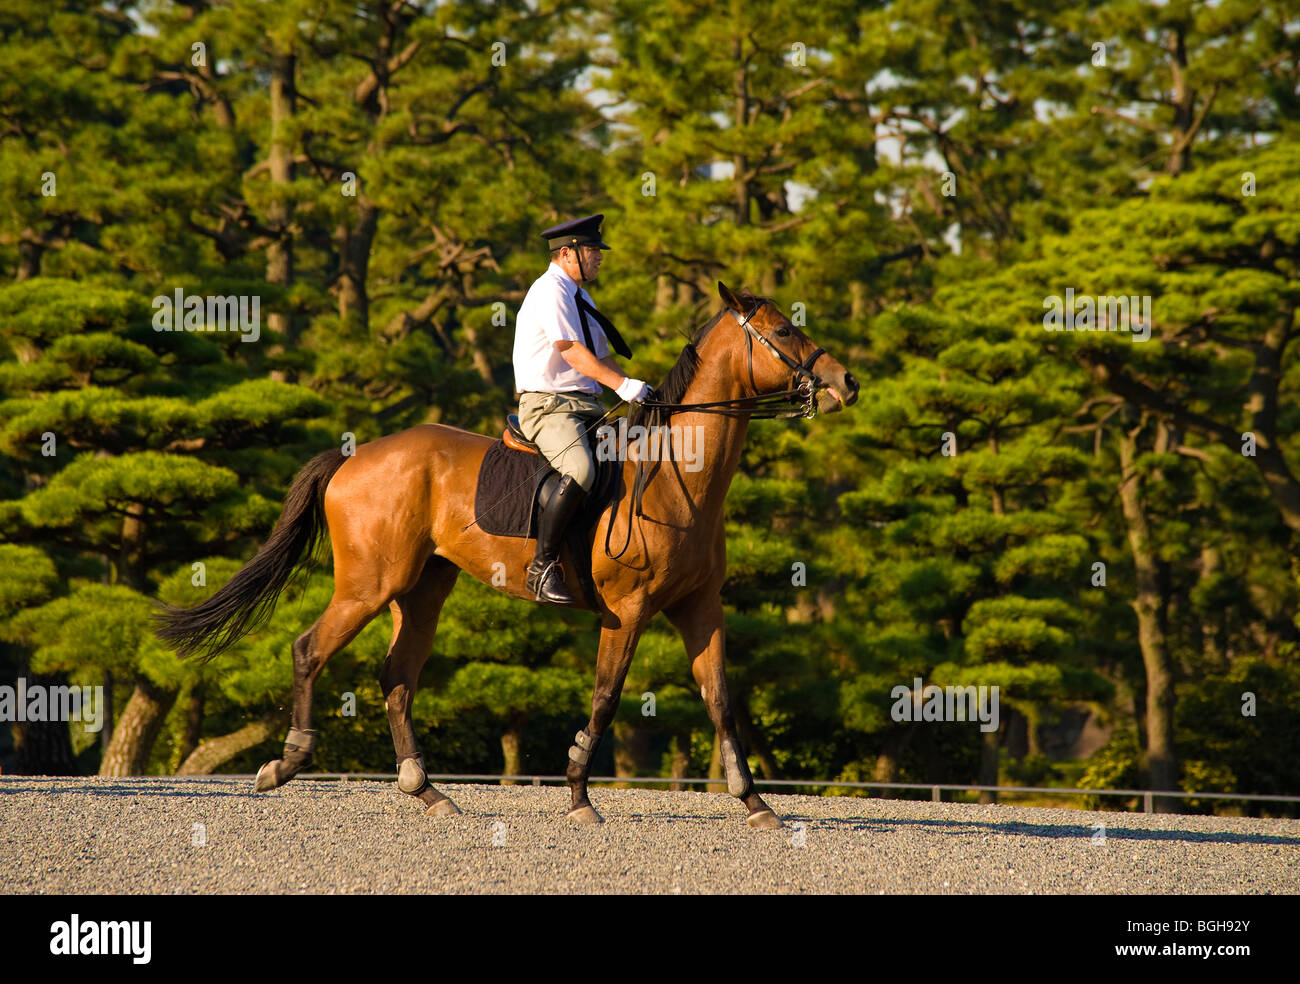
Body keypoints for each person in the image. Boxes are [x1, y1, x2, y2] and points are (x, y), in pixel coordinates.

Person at [512, 214, 652, 604]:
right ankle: (541, 568)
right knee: (582, 469)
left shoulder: (580, 295)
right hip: (549, 407)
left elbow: (600, 358)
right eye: (592, 251)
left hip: (586, 405)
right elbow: (571, 351)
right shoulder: (550, 292)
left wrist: (639, 390)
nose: (599, 257)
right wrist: (623, 387)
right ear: (567, 253)